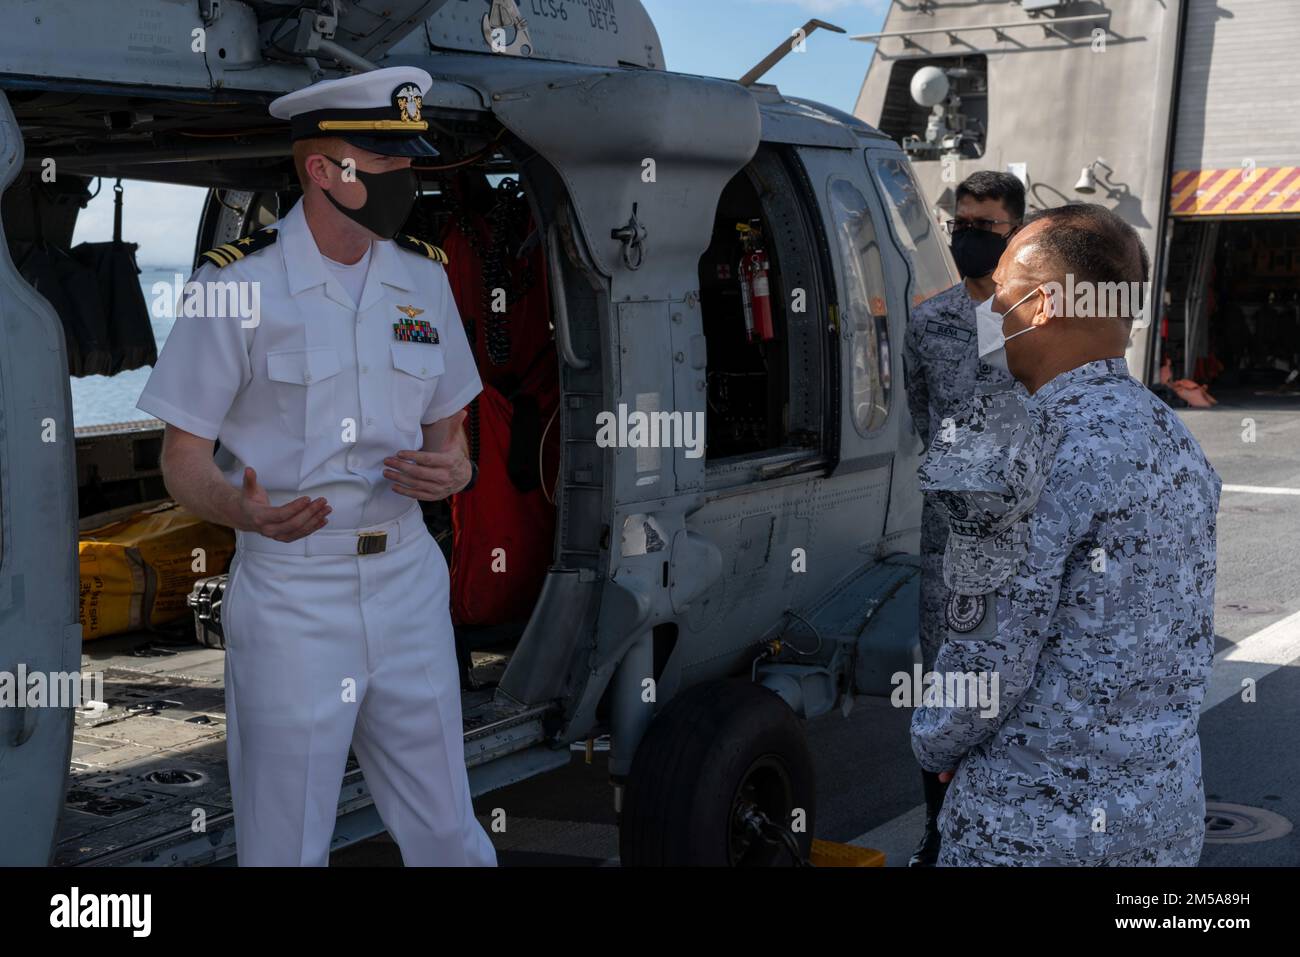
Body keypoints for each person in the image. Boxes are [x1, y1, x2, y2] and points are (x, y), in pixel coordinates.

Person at [136, 66, 497, 866]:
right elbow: (182, 457)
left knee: (447, 831)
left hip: (407, 577)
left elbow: (456, 433)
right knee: (285, 845)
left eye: (407, 162)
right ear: (320, 170)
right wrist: (242, 509)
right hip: (294, 589)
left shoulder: (424, 277)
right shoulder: (235, 285)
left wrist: (454, 472)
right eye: (384, 165)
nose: (405, 178)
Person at [912, 203, 1222, 866]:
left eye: (999, 292)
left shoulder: (1025, 452)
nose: (987, 311)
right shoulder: (1177, 442)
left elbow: (984, 665)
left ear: (1044, 304)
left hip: (1032, 831)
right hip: (1161, 827)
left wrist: (937, 743)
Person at [902, 170, 1024, 865]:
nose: (969, 237)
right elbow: (924, 416)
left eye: (985, 227)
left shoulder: (1040, 317)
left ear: (1015, 231)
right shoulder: (930, 319)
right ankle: (939, 825)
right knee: (944, 674)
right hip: (948, 535)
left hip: (1028, 530)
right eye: (963, 224)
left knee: (1017, 670)